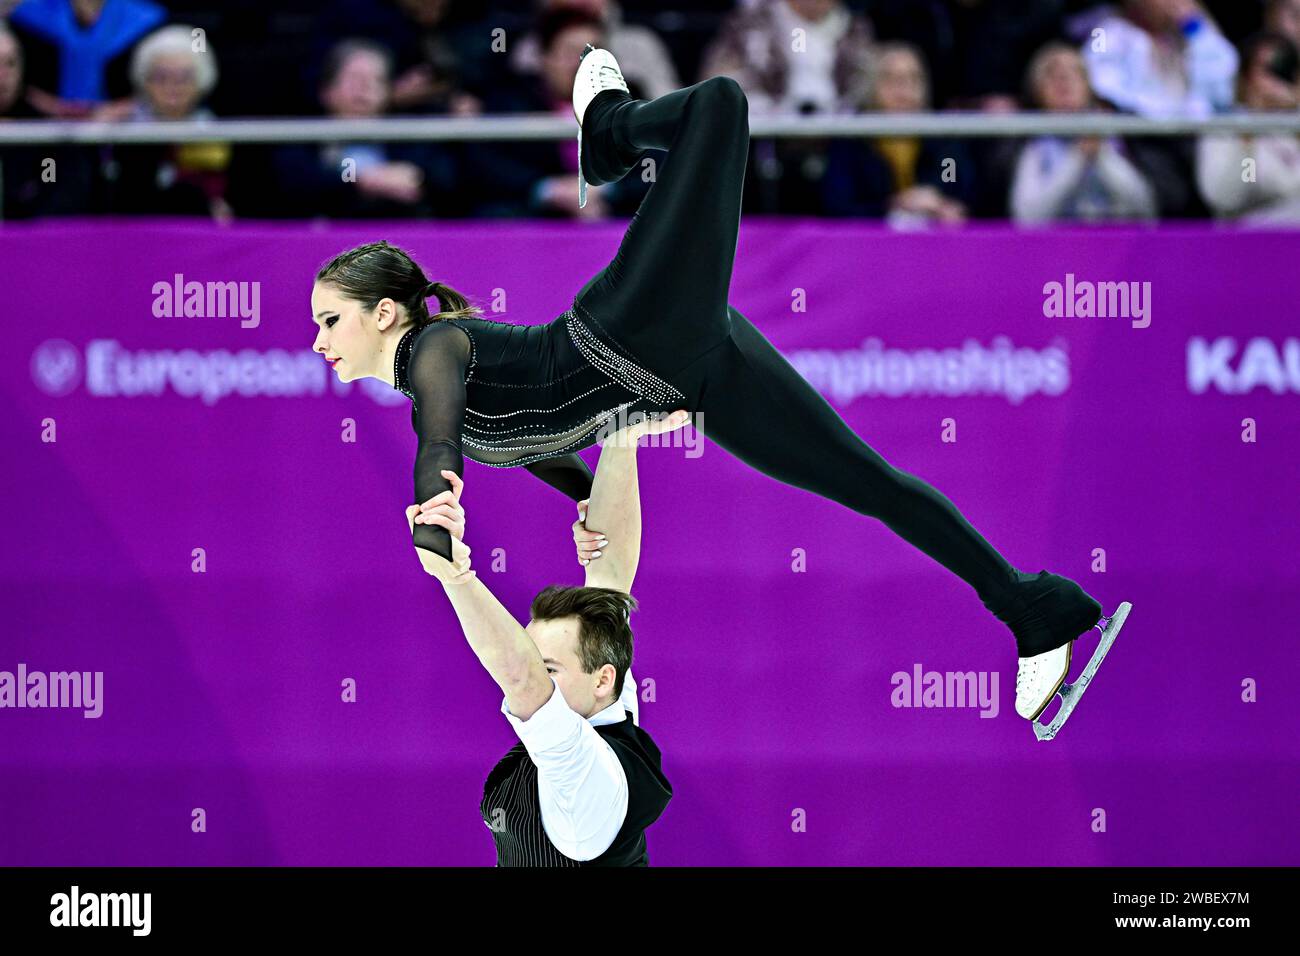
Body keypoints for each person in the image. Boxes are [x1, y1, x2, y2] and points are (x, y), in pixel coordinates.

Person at [308, 46, 1128, 733]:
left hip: (633, 326)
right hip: (684, 376)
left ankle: (609, 128)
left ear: (385, 315)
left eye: (330, 322)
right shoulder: (434, 385)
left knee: (723, 105)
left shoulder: (432, 351)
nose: (318, 343)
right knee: (868, 483)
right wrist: (586, 499)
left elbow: (443, 441)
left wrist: (436, 505)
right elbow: (530, 440)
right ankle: (1032, 608)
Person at [404, 411, 681, 865]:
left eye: (549, 668)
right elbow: (610, 575)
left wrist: (456, 576)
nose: (537, 673)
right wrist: (621, 436)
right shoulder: (607, 708)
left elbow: (521, 679)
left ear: (601, 679)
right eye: (537, 659)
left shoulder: (586, 783)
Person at [1010, 42, 1157, 224]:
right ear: (1037, 90)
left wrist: (1102, 154)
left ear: (1088, 86)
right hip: (1056, 246)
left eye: (1074, 72)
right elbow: (1027, 218)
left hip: (1116, 243)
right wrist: (1077, 159)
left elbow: (1145, 209)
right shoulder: (1034, 145)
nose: (1063, 80)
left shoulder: (1117, 135)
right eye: (1051, 73)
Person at [1196, 32, 1300, 224]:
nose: (1277, 83)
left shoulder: (1293, 127)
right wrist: (1249, 134)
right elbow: (1236, 194)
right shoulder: (1228, 129)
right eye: (1270, 70)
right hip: (1250, 236)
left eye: (1285, 71)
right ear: (1244, 78)